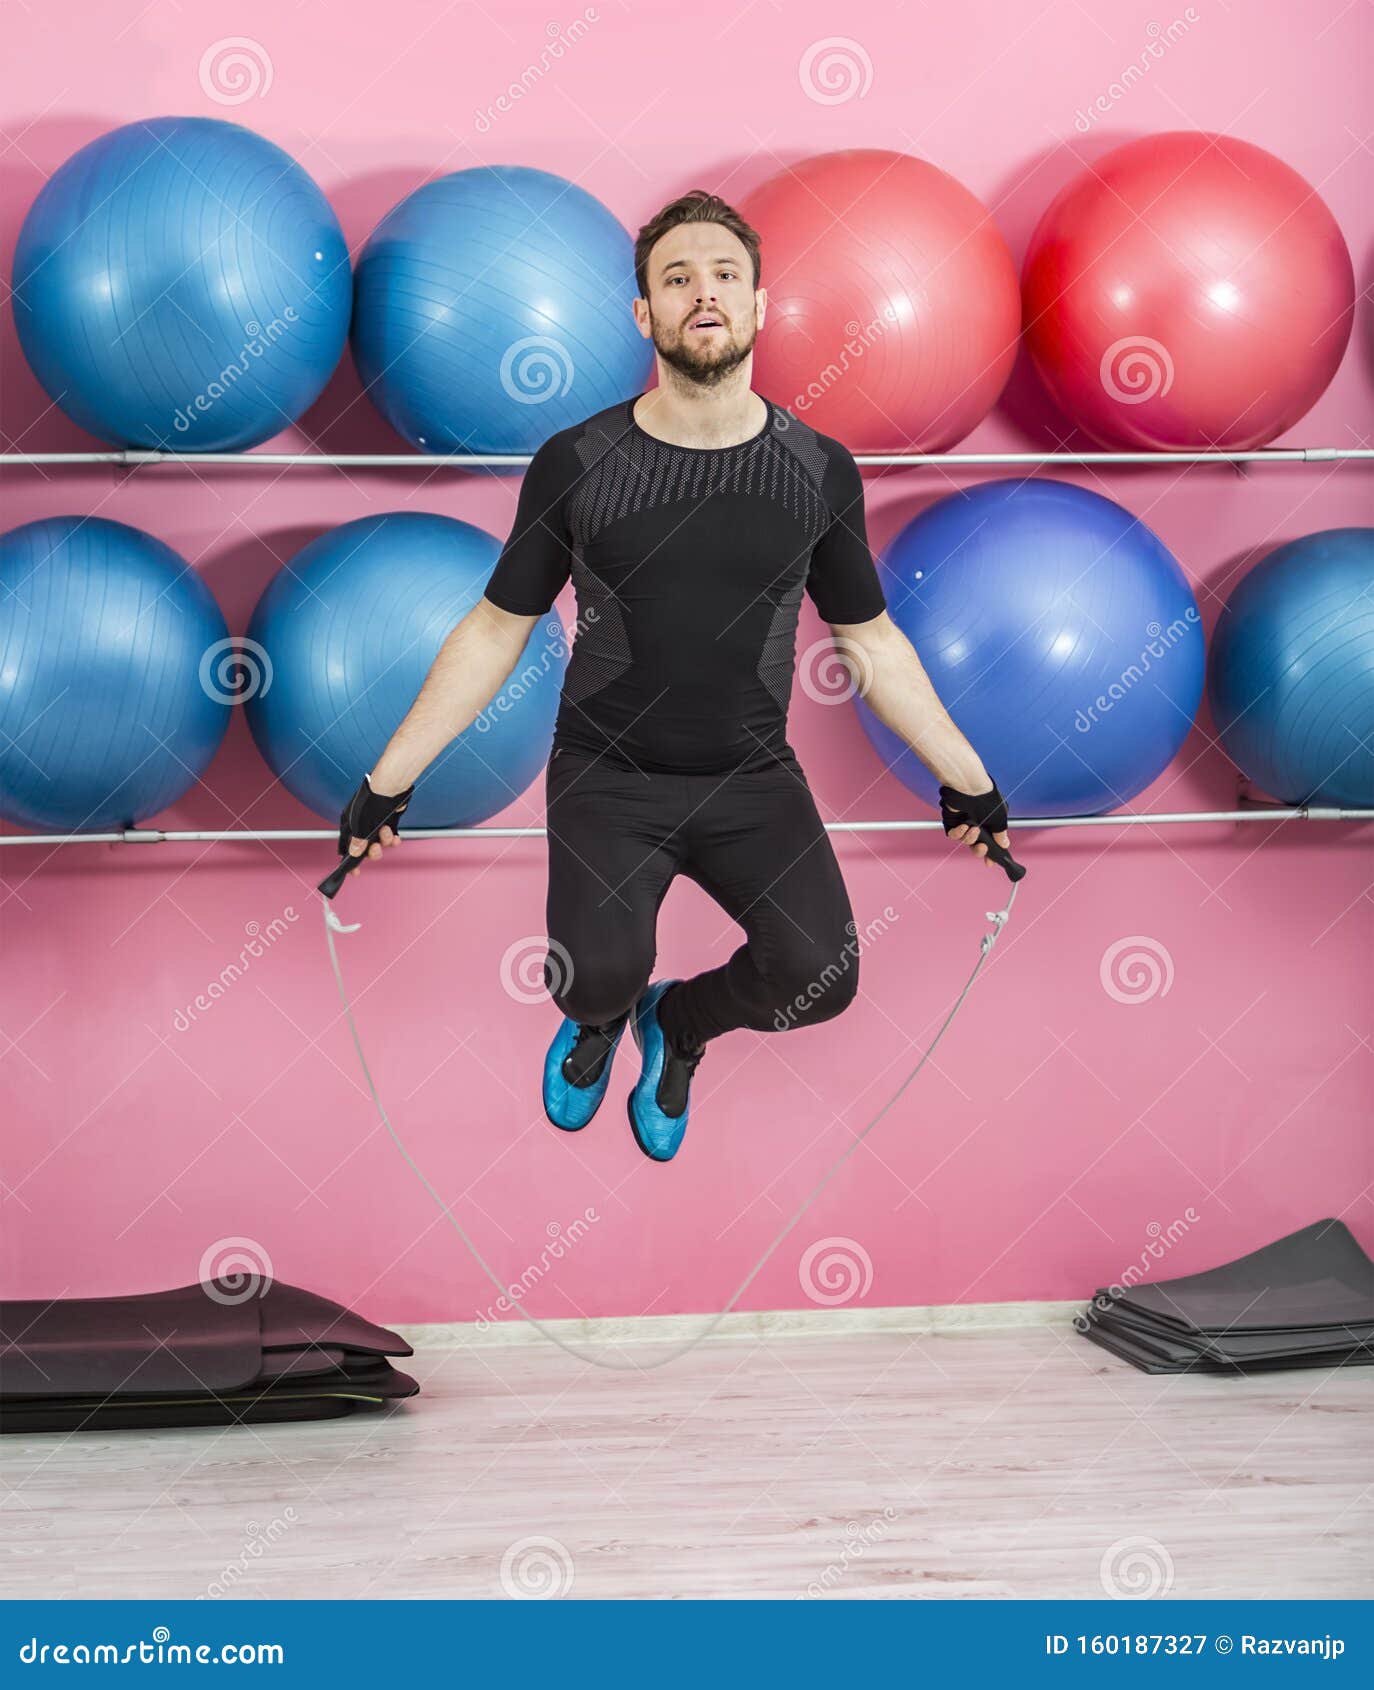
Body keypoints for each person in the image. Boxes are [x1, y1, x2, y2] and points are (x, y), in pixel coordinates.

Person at [335, 191, 1013, 1164]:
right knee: (590, 976)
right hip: (608, 776)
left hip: (749, 776)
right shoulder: (579, 464)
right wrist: (385, 782)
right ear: (643, 315)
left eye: (726, 274)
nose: (705, 292)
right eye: (678, 277)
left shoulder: (817, 469)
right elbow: (495, 631)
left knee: (821, 975)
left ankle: (680, 1025)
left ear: (760, 307)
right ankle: (605, 1016)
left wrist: (969, 777)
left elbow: (870, 641)